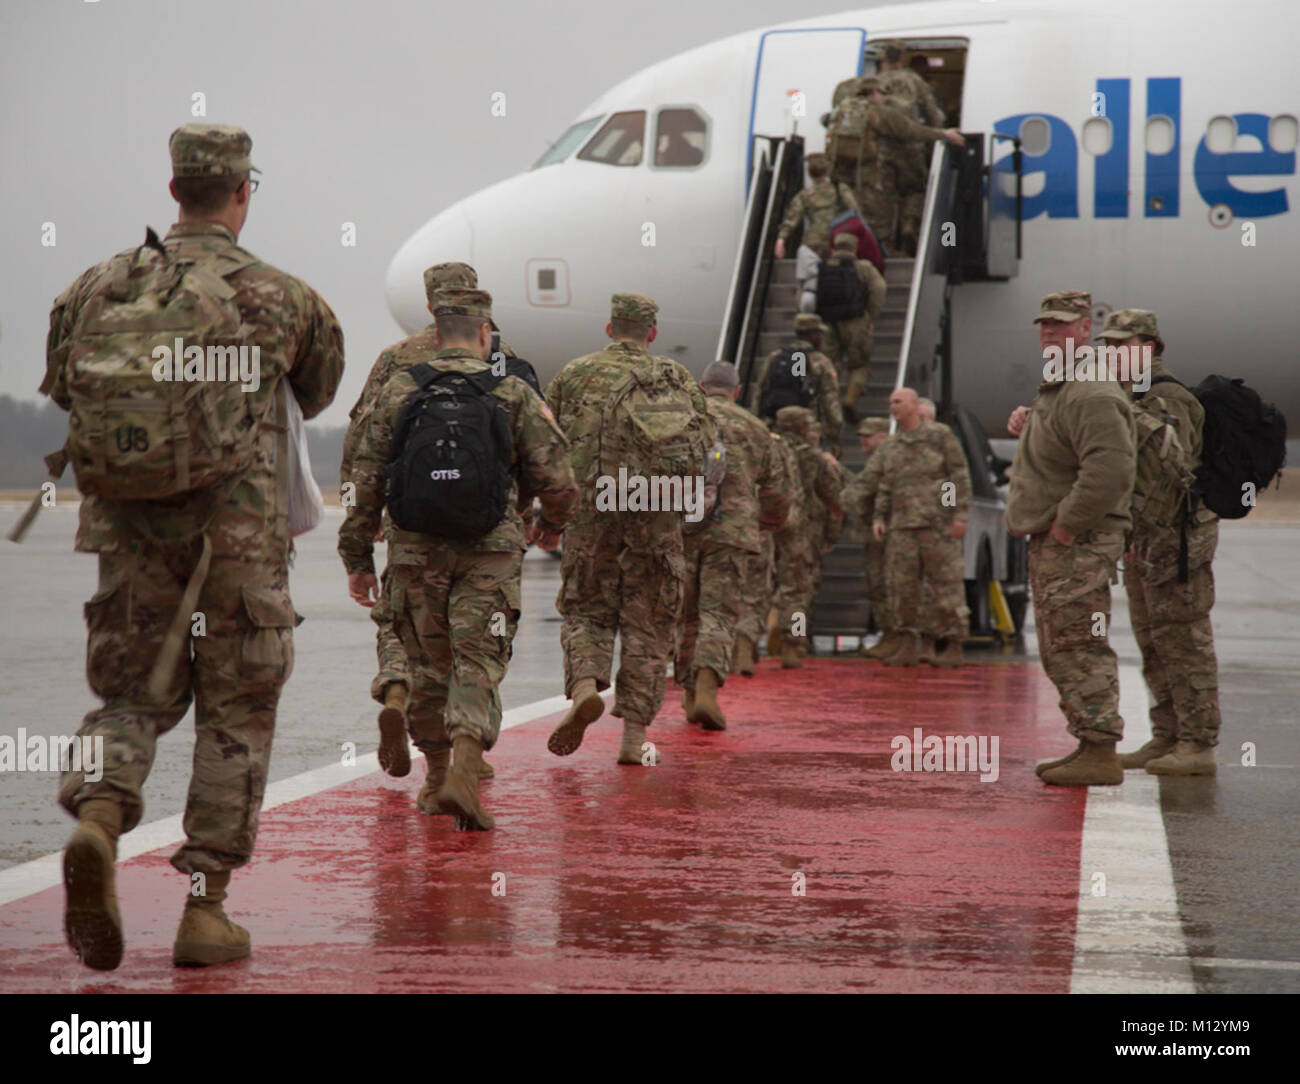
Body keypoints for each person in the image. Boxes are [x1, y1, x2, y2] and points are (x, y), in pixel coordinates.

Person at [43, 124, 345, 969]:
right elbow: (316, 394)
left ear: (174, 190)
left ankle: (102, 816)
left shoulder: (94, 289)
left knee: (130, 698)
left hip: (127, 538)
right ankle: (205, 911)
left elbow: (65, 386)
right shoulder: (282, 297)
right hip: (236, 547)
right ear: (243, 192)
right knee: (236, 718)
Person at [338, 288, 576, 829]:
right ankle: (466, 774)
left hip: (415, 545)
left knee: (425, 662)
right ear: (485, 333)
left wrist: (356, 554)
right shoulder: (513, 390)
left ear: (435, 331)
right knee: (479, 658)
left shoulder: (399, 387)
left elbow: (362, 480)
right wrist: (548, 525)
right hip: (489, 548)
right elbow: (559, 479)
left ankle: (434, 775)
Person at [340, 261, 507, 784]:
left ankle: (395, 690)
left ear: (430, 304)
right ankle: (468, 752)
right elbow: (534, 450)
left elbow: (362, 442)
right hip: (486, 529)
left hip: (410, 520)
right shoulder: (498, 360)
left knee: (403, 624)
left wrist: (360, 530)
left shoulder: (396, 361)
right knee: (475, 640)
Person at [544, 294, 715, 764]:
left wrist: (546, 517)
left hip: (592, 512)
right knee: (650, 624)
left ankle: (584, 687)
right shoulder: (676, 378)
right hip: (655, 515)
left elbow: (545, 447)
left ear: (608, 328)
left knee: (586, 609)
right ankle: (632, 737)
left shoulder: (573, 375)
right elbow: (705, 444)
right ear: (653, 334)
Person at [1006, 290, 1136, 786]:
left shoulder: (1090, 388)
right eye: (1044, 326)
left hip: (1076, 543)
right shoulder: (1063, 385)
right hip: (1061, 541)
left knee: (1079, 642)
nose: (1049, 334)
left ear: (1085, 329)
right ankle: (1088, 740)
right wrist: (1028, 419)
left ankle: (1100, 750)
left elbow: (1110, 467)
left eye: (1060, 326)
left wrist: (1067, 524)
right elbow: (1067, 446)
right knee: (1062, 643)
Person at [1099, 309, 1221, 776]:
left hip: (1177, 540)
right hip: (1147, 539)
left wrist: (1137, 530)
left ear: (1149, 346)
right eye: (1107, 346)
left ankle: (1198, 742)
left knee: (1184, 641)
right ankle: (1167, 733)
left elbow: (1173, 477)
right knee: (1152, 640)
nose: (1112, 354)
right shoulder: (1131, 396)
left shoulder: (1168, 397)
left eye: (1121, 345)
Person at [676, 362, 790, 728]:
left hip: (684, 528)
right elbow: (776, 493)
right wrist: (765, 527)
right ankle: (708, 689)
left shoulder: (682, 420)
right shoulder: (757, 429)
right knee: (718, 613)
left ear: (700, 386)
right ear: (737, 391)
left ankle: (689, 693)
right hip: (732, 534)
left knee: (686, 613)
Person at [871, 388, 971, 666]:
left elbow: (958, 474)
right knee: (902, 587)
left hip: (936, 525)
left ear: (914, 405)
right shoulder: (893, 445)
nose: (892, 407)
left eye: (898, 402)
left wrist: (957, 514)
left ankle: (953, 644)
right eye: (890, 402)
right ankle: (906, 642)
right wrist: (880, 516)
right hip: (902, 526)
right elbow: (885, 484)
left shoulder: (940, 437)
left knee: (946, 585)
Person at [825, 75, 964, 251]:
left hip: (845, 178)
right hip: (873, 177)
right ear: (874, 92)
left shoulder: (841, 111)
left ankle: (850, 254)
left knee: (852, 219)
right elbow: (910, 130)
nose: (882, 98)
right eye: (882, 93)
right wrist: (944, 134)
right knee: (880, 224)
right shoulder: (879, 112)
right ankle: (883, 255)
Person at [771, 406, 844, 667]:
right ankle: (793, 644)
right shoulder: (814, 457)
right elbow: (834, 498)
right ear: (803, 428)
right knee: (797, 592)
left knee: (755, 588)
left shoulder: (767, 447)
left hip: (763, 528)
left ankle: (743, 646)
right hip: (798, 532)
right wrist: (834, 528)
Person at [877, 44, 948, 253]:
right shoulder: (915, 81)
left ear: (883, 61)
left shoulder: (875, 83)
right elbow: (933, 114)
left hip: (884, 149)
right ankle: (909, 223)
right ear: (902, 60)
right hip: (911, 146)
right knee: (915, 188)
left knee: (886, 196)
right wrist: (937, 139)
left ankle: (888, 244)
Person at [840, 417, 896, 656]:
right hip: (876, 534)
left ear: (883, 436)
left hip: (886, 534)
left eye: (868, 435)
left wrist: (841, 501)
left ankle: (893, 635)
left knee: (884, 586)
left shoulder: (886, 459)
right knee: (877, 586)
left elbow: (867, 486)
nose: (863, 440)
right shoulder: (879, 460)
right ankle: (889, 635)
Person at [750, 312, 843, 452]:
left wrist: (757, 424)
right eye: (819, 333)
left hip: (775, 426)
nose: (822, 338)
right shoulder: (820, 362)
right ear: (812, 335)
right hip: (806, 429)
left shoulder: (775, 357)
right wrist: (835, 436)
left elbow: (759, 392)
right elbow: (831, 402)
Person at [820, 232, 887, 422]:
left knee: (830, 364)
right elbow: (879, 289)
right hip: (856, 322)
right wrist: (871, 317)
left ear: (834, 248)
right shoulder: (863, 267)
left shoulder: (823, 266)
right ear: (855, 249)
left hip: (828, 322)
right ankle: (850, 399)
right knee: (859, 365)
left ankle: (828, 407)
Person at [773, 151, 859, 261]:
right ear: (828, 171)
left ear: (809, 173)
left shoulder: (804, 195)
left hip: (813, 243)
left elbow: (791, 219)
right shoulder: (840, 189)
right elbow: (855, 211)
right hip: (837, 241)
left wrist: (781, 239)